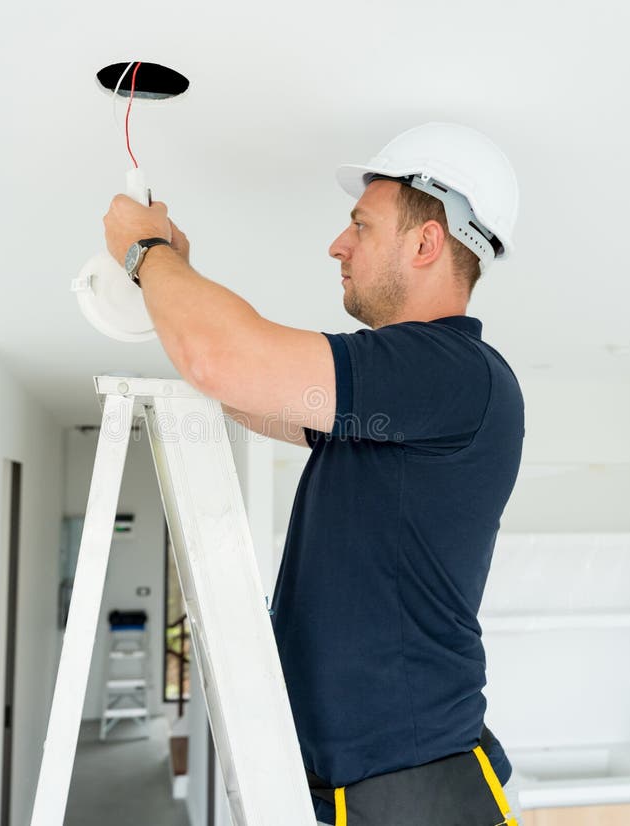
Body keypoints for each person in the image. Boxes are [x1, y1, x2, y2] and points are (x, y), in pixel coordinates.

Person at [103, 121, 526, 826]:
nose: (338, 243)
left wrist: (144, 255)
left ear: (426, 244)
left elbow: (225, 363)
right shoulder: (401, 397)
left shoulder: (450, 372)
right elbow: (247, 393)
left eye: (361, 224)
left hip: (410, 793)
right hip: (364, 786)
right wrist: (173, 284)